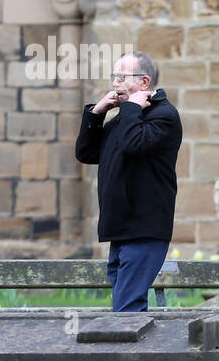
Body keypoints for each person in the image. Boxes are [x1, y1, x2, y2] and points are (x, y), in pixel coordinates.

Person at [75, 51, 182, 312]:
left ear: (144, 83)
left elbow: (135, 144)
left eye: (122, 77)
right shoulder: (125, 118)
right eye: (114, 77)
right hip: (121, 229)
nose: (115, 83)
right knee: (126, 311)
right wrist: (97, 113)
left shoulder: (164, 116)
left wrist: (131, 107)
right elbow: (87, 153)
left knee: (126, 311)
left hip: (144, 228)